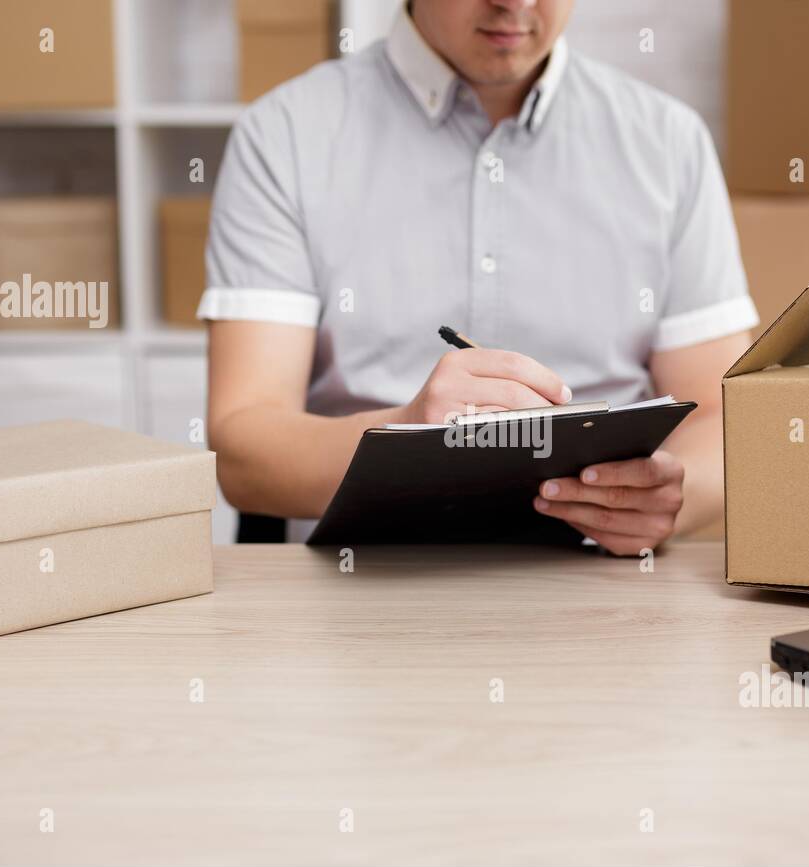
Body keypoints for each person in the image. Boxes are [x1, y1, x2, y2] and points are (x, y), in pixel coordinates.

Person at [202, 0, 757, 555]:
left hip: (604, 588)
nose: (515, 4)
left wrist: (667, 494)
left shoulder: (669, 141)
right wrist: (405, 439)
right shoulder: (284, 136)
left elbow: (722, 418)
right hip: (362, 593)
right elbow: (243, 454)